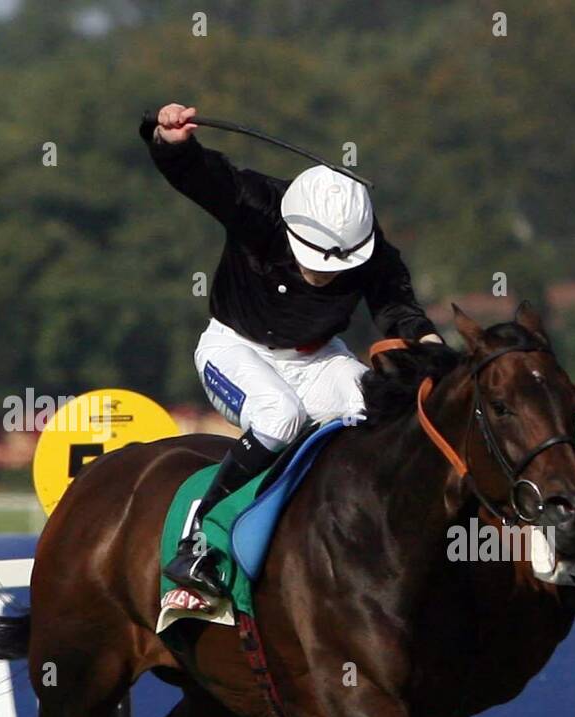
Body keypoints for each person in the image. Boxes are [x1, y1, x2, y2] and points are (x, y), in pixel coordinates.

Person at [142, 103, 442, 597]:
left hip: (318, 357)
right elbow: (198, 175)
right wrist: (170, 140)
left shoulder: (370, 246)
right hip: (234, 348)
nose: (324, 271)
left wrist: (432, 347)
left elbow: (398, 308)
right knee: (279, 417)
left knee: (381, 413)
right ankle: (199, 540)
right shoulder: (259, 203)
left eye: (337, 262)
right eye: (315, 257)